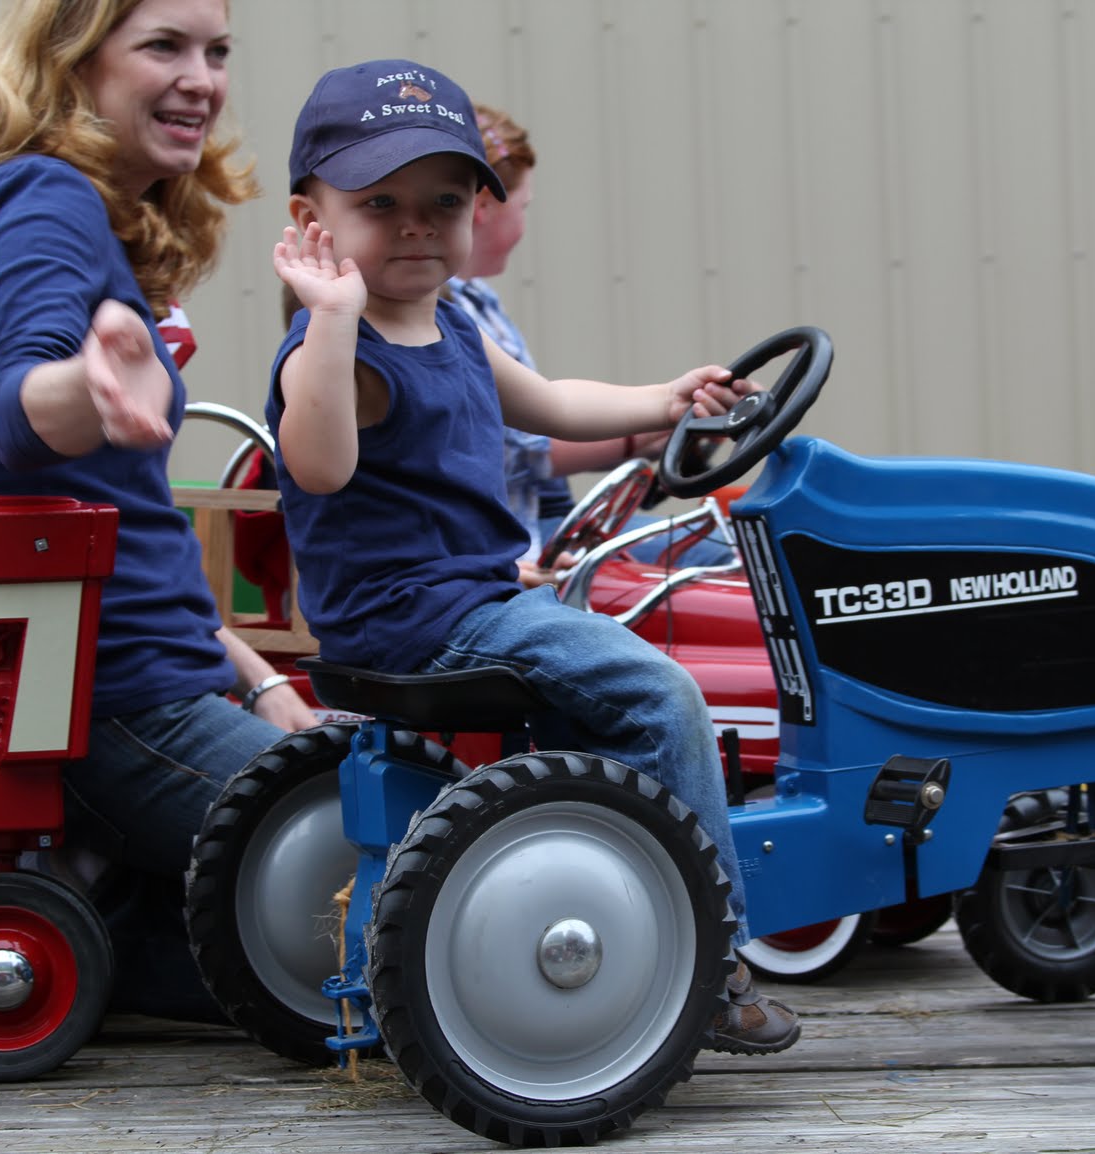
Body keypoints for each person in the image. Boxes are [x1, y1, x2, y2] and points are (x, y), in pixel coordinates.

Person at [268, 57, 798, 1054]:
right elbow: (320, 462)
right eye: (380, 202)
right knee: (664, 694)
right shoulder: (333, 350)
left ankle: (608, 879)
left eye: (446, 199)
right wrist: (330, 316)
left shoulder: (454, 320)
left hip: (467, 596)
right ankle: (713, 953)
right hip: (418, 617)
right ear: (312, 219)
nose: (418, 222)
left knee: (590, 693)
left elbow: (548, 404)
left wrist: (664, 400)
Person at [0, 0, 315, 1021]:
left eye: (217, 51)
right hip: (122, 703)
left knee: (369, 866)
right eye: (163, 46)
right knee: (411, 869)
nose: (202, 79)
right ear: (71, 63)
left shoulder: (66, 210)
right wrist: (81, 387)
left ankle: (121, 947)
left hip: (149, 683)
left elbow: (126, 526)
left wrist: (261, 678)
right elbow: (17, 404)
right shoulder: (48, 199)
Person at [444, 103, 735, 575]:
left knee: (721, 540)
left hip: (535, 518)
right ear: (483, 207)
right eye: (524, 208)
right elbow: (520, 444)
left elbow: (545, 406)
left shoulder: (477, 301)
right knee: (719, 562)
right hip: (507, 546)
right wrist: (642, 434)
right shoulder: (439, 315)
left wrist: (667, 414)